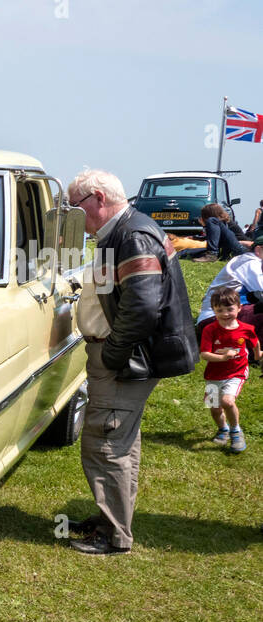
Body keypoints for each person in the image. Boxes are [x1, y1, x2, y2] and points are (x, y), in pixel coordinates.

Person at [64, 168, 195, 555]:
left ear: (98, 200)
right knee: (121, 440)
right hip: (122, 354)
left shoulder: (132, 236)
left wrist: (113, 353)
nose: (74, 217)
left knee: (105, 442)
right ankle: (113, 519)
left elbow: (141, 308)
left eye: (76, 208)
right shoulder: (121, 231)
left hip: (122, 358)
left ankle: (114, 535)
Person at [200, 286, 260, 453]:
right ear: (213, 310)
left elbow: (254, 341)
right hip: (213, 375)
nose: (225, 313)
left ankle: (236, 432)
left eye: (230, 309)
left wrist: (257, 354)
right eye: (220, 310)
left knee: (227, 401)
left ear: (239, 308)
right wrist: (222, 357)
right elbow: (204, 354)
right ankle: (223, 430)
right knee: (214, 408)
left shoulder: (246, 329)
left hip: (236, 372)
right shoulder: (210, 330)